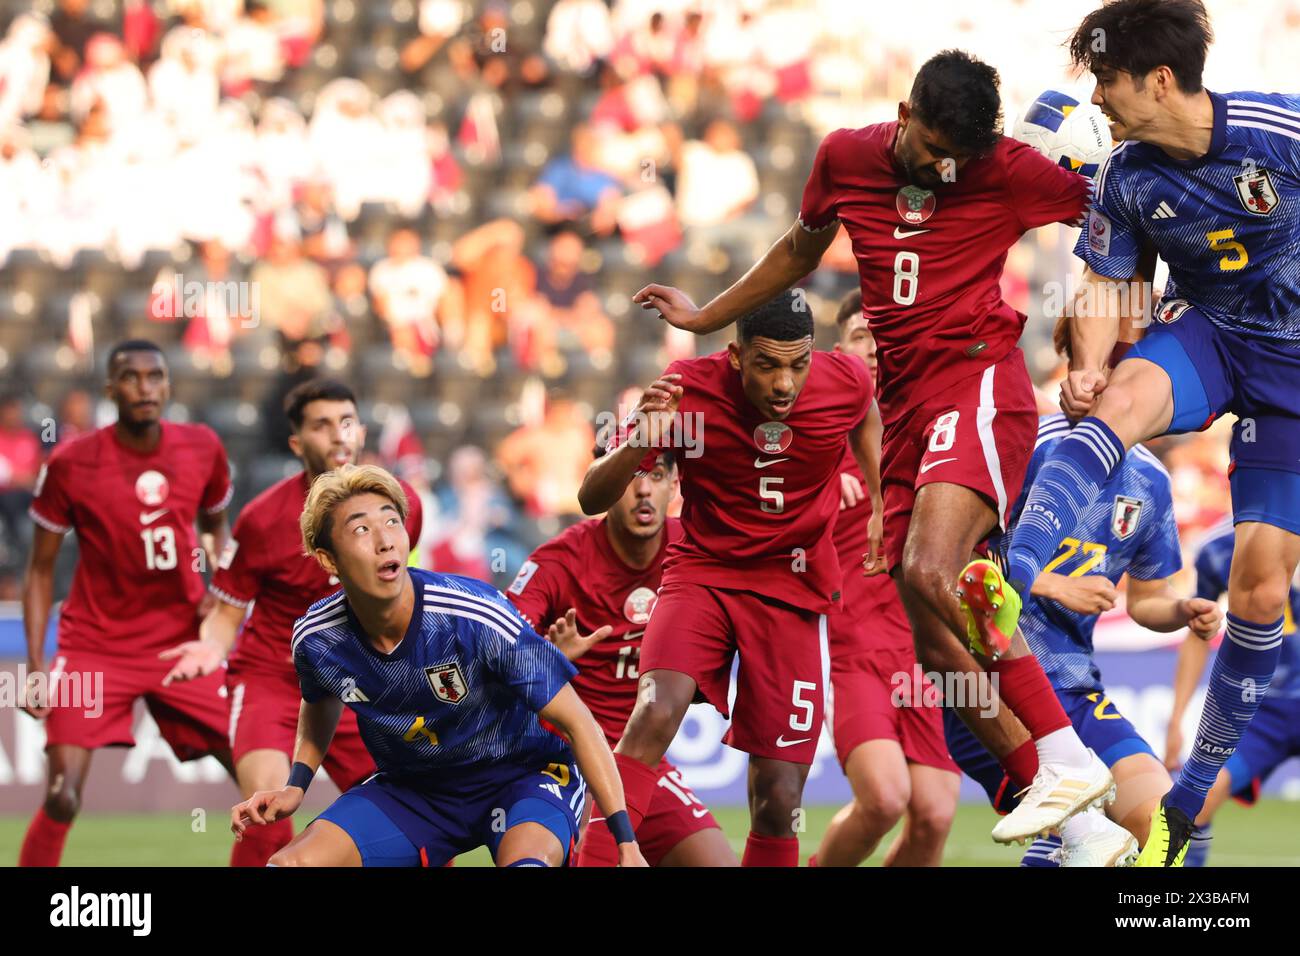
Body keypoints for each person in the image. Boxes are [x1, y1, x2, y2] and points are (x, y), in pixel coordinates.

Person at [633, 50, 1111, 846]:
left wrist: (1101, 338)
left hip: (978, 382)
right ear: (903, 114)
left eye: (959, 158)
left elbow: (1124, 211)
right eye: (933, 151)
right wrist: (706, 317)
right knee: (937, 634)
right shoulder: (845, 158)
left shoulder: (1007, 168)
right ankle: (1080, 821)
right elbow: (799, 249)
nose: (945, 170)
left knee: (930, 569)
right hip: (905, 411)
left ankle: (1063, 757)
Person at [998, 0, 1300, 865]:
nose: (1098, 97)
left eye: (1106, 79)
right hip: (1213, 335)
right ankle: (1014, 573)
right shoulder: (1125, 174)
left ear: (1159, 80)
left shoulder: (1280, 133)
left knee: (1260, 593)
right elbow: (1109, 284)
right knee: (1117, 403)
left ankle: (1193, 789)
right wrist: (1090, 364)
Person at [579, 290, 881, 867]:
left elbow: (865, 407)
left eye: (798, 365)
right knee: (655, 712)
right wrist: (642, 437)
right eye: (767, 365)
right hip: (705, 575)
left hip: (793, 590)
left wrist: (879, 500)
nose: (785, 384)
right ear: (737, 355)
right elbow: (592, 497)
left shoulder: (842, 378)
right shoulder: (685, 391)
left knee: (780, 797)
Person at [230, 464, 645, 867]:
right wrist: (296, 785)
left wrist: (625, 843)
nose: (385, 540)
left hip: (523, 777)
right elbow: (320, 699)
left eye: (392, 522)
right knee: (290, 864)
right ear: (327, 559)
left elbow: (579, 723)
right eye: (361, 529)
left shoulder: (475, 613)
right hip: (415, 791)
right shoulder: (317, 637)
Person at [160, 379, 424, 867]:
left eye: (346, 422)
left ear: (362, 432)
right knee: (265, 815)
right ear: (297, 444)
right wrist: (211, 647)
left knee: (413, 820)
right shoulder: (262, 520)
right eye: (321, 425)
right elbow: (227, 615)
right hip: (273, 679)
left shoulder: (401, 505)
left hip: (358, 681)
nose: (338, 435)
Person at [19, 340, 235, 866]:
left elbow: (216, 528)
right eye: (130, 377)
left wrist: (218, 587)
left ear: (168, 385)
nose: (145, 387)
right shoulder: (72, 462)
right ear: (110, 389)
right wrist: (36, 665)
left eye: (154, 376)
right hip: (95, 646)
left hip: (183, 644)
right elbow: (40, 569)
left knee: (263, 778)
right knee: (62, 796)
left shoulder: (202, 447)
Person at [508, 446, 736, 866]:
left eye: (656, 475)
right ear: (607, 484)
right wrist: (547, 660)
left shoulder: (696, 547)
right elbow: (501, 642)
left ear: (675, 484)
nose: (643, 490)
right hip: (564, 761)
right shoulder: (560, 560)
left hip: (640, 762)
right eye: (631, 476)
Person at [814, 291, 960, 867]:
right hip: (853, 649)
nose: (873, 350)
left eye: (881, 337)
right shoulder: (814, 441)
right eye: (859, 337)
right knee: (884, 798)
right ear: (837, 352)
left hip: (923, 650)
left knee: (935, 815)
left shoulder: (929, 429)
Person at [1165, 518, 1300, 866]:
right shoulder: (1217, 549)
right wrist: (1177, 719)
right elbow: (1198, 634)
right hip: (1259, 712)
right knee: (1196, 803)